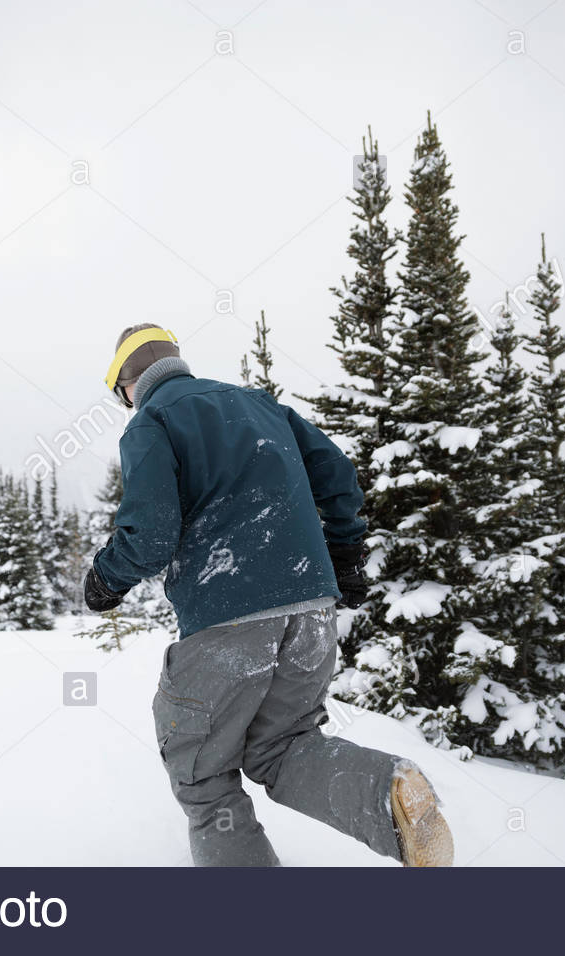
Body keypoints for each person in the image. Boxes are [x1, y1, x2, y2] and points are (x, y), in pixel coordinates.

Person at [85, 323, 454, 867]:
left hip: (225, 619)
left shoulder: (151, 422)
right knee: (284, 746)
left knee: (201, 770)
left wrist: (105, 578)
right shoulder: (259, 405)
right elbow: (338, 474)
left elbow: (152, 535)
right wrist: (345, 553)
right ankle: (386, 793)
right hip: (311, 609)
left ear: (126, 386)